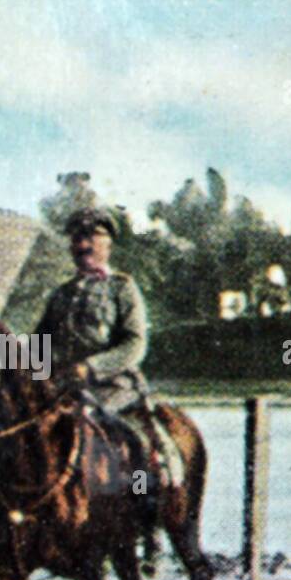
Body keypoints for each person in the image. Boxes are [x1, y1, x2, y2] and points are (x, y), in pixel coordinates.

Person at [35, 207, 182, 490]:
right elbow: (39, 343)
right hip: (64, 388)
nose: (83, 245)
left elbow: (135, 343)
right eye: (77, 239)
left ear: (108, 245)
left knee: (131, 438)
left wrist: (92, 367)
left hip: (113, 386)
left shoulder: (122, 288)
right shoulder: (61, 294)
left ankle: (145, 508)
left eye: (92, 238)